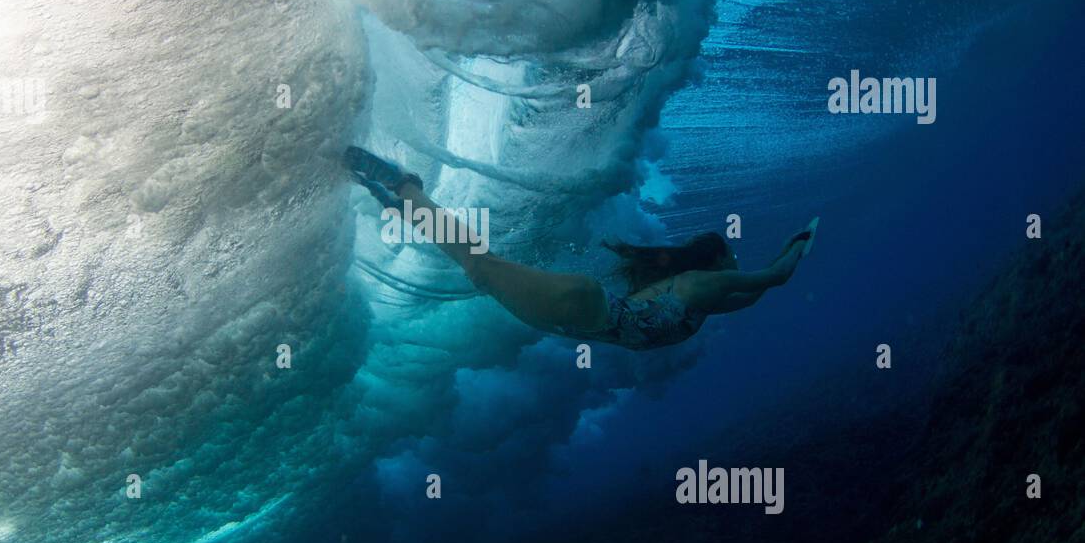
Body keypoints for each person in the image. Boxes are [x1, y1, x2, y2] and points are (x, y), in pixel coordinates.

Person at [345, 146, 816, 351]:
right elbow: (774, 278)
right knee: (480, 266)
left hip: (578, 317)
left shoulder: (704, 299)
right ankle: (405, 187)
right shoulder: (698, 284)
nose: (734, 265)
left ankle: (402, 202)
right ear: (717, 262)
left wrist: (785, 259)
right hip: (579, 308)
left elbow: (755, 293)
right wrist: (800, 244)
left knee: (480, 270)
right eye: (730, 259)